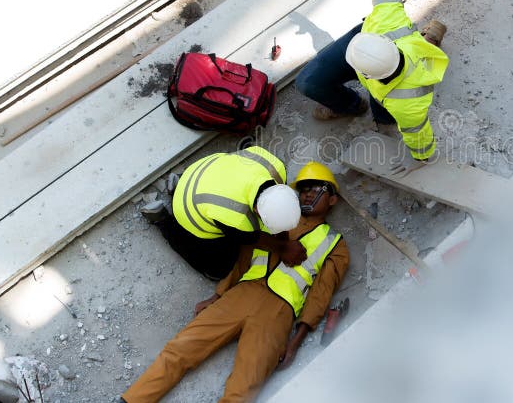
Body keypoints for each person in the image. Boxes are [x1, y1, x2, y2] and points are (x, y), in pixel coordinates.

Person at [122, 161, 349, 403]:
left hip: (277, 312)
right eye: (304, 189)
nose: (308, 193)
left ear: (333, 200)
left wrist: (295, 342)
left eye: (317, 189)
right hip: (241, 294)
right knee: (181, 348)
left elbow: (321, 295)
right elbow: (244, 258)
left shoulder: (335, 244)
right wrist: (218, 295)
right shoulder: (272, 216)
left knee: (244, 386)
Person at [295, 0, 449, 176]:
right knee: (307, 82)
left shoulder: (408, 101)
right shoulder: (386, 19)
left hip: (389, 80)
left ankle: (429, 41)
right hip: (367, 44)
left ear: (370, 76)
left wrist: (420, 159)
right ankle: (352, 105)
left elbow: (418, 133)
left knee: (385, 119)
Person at [142, 145, 307, 280]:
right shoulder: (236, 217)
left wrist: (284, 239)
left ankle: (178, 187)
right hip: (188, 204)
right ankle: (163, 219)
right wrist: (282, 247)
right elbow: (254, 239)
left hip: (200, 172)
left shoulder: (276, 167)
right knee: (219, 269)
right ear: (257, 210)